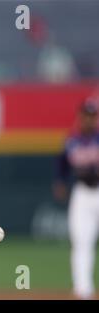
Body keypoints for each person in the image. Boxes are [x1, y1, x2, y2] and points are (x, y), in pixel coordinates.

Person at [53, 101, 99, 299]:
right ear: (81, 117)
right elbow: (62, 164)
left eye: (92, 115)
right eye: (86, 115)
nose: (89, 118)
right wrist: (61, 181)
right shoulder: (72, 140)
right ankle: (83, 289)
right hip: (81, 193)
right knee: (81, 241)